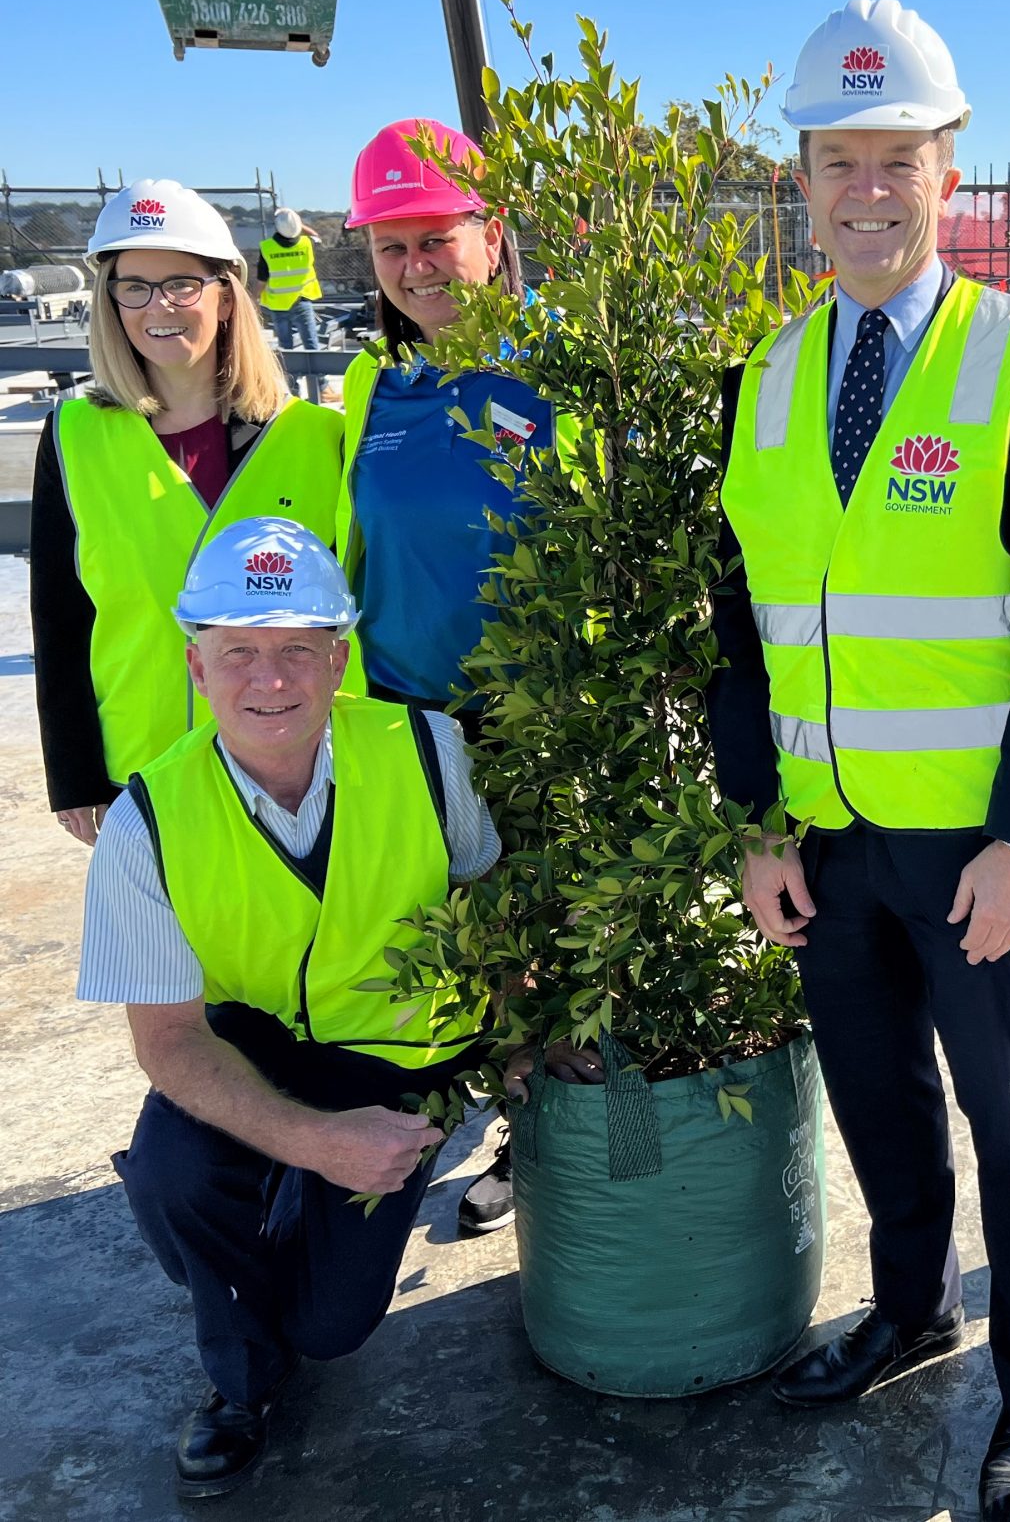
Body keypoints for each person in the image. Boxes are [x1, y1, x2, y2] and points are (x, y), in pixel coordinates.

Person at [708, 0, 1010, 1522]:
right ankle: (906, 1305)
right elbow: (737, 628)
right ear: (800, 179)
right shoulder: (762, 378)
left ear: (950, 166)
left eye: (898, 156)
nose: (866, 188)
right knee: (878, 1102)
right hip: (824, 838)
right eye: (837, 159)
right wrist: (755, 823)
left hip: (974, 845)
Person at [77, 517, 502, 1499]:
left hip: (399, 1056)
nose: (269, 680)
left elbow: (496, 909)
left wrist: (520, 1045)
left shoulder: (431, 752)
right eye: (238, 653)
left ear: (339, 657)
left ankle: (260, 1230)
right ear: (195, 664)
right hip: (246, 1046)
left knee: (332, 1328)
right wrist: (319, 1143)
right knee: (180, 1176)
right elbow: (172, 1042)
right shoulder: (147, 817)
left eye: (296, 651)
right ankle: (237, 1382)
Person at [335, 116, 569, 1236]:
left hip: (538, 719)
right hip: (405, 722)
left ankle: (542, 1135)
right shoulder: (367, 395)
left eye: (436, 236)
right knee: (460, 934)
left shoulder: (561, 368)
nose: (418, 266)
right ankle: (471, 1100)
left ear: (492, 235)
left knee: (544, 928)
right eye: (393, 247)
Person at [30, 180, 343, 847]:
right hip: (142, 773)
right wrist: (76, 774)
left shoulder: (316, 438)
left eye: (181, 283)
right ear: (109, 300)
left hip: (301, 775)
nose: (157, 306)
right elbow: (60, 616)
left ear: (226, 292)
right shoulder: (74, 433)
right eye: (133, 286)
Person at [257, 207, 323, 398]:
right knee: (312, 345)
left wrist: (253, 299)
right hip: (302, 302)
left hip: (279, 305)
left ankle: (293, 391)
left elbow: (262, 279)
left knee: (286, 349)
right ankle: (322, 387)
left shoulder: (267, 247)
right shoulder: (306, 243)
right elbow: (316, 235)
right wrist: (297, 223)